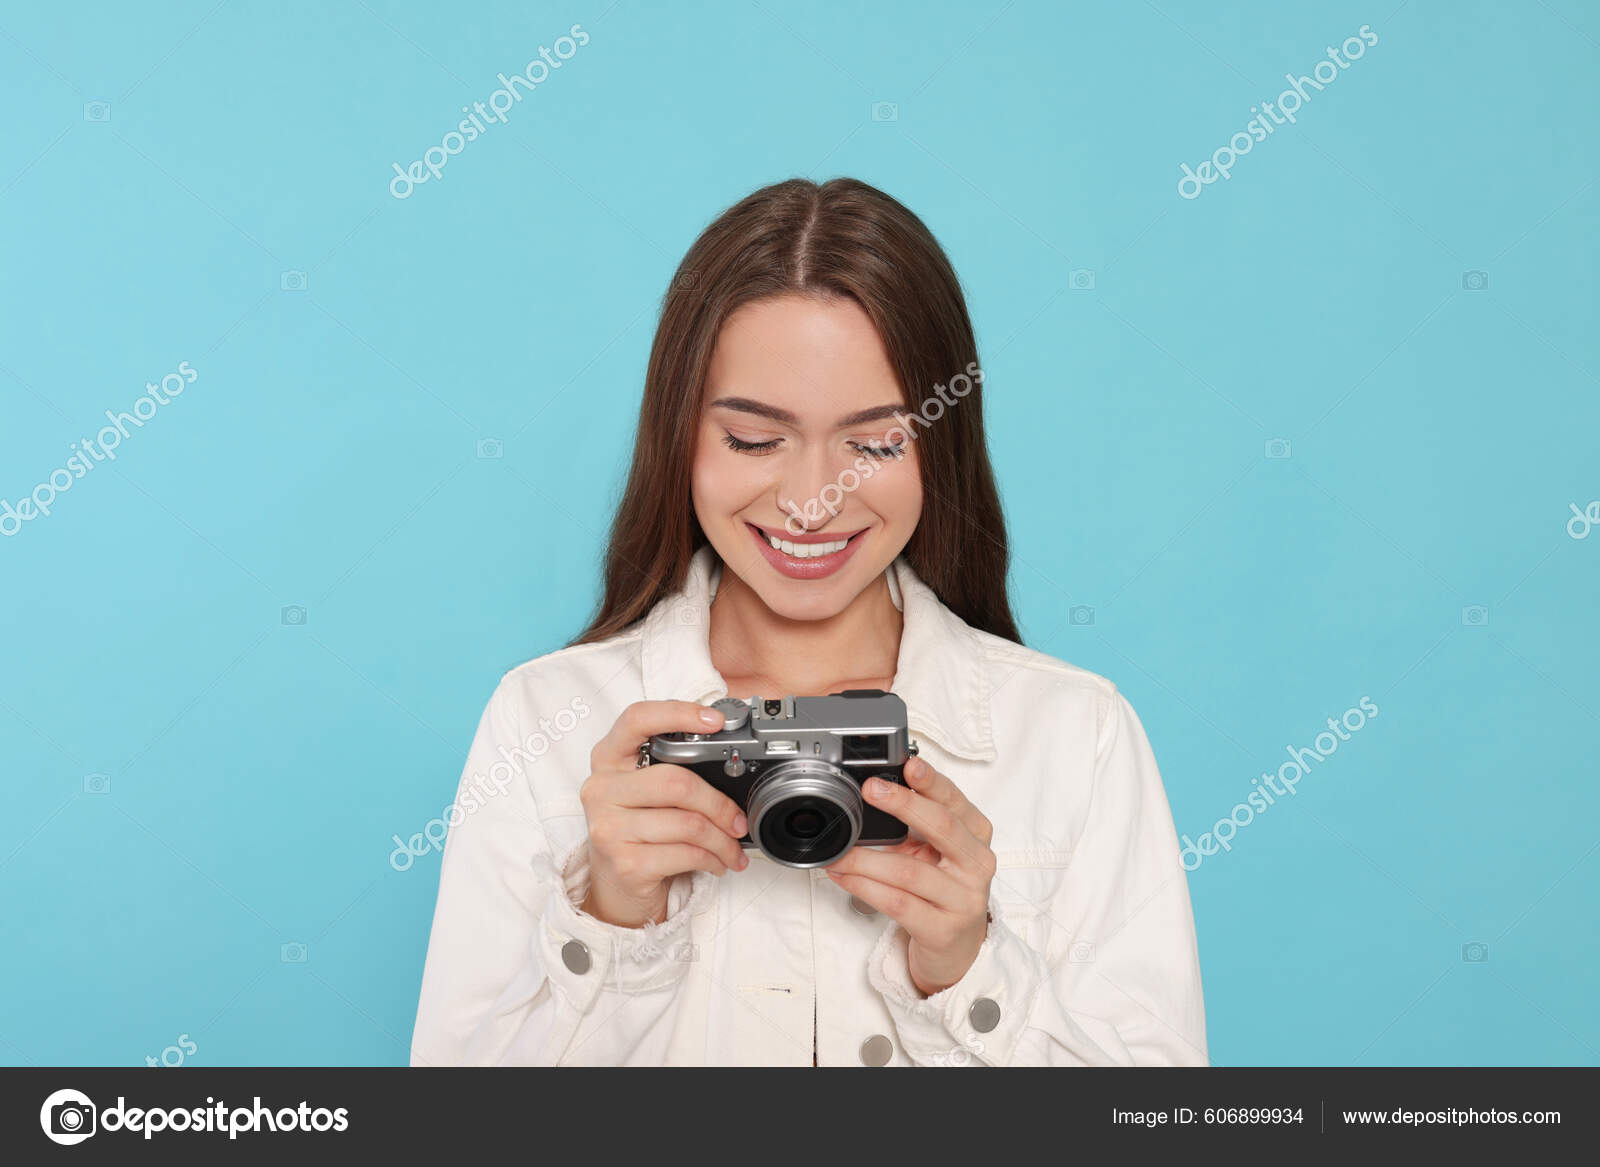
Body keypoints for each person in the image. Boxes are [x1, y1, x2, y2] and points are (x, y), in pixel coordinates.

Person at [409, 177, 1207, 1066]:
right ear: (679, 434)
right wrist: (609, 920)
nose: (809, 500)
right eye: (754, 439)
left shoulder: (1076, 734)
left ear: (940, 441)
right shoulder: (544, 721)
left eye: (873, 443)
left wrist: (967, 973)